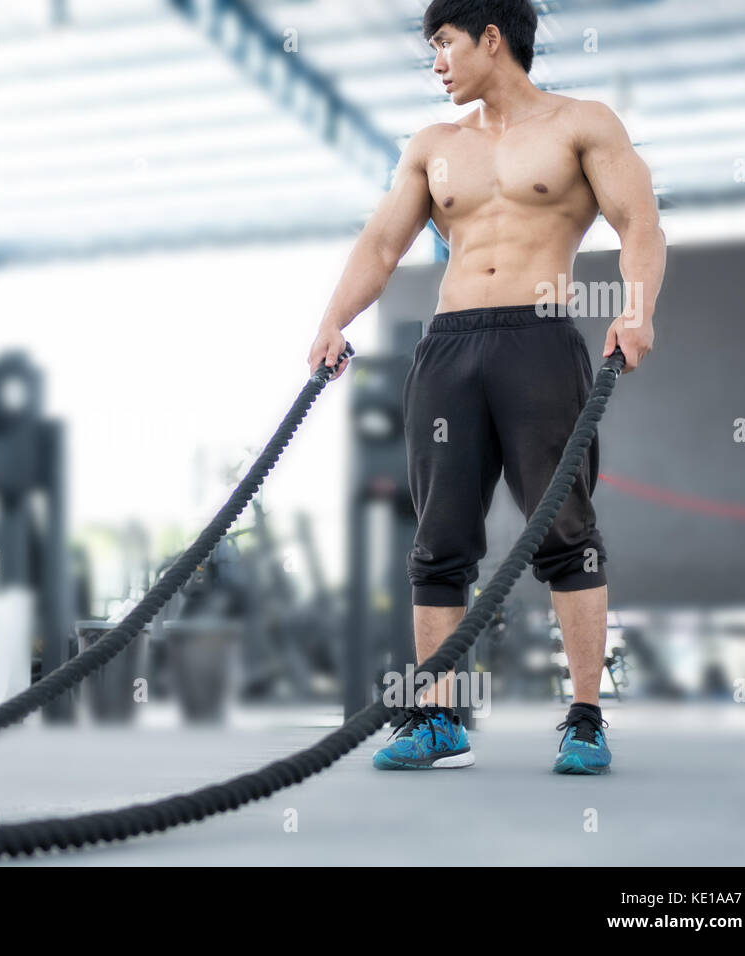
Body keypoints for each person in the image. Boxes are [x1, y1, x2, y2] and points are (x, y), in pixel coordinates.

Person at [307, 0, 665, 774]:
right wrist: (334, 320)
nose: (436, 63)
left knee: (564, 532)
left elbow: (640, 224)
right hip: (450, 347)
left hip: (540, 340)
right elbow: (381, 242)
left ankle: (585, 719)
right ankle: (440, 720)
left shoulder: (582, 124)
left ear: (491, 39)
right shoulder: (434, 146)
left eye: (444, 44)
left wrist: (635, 312)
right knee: (437, 543)